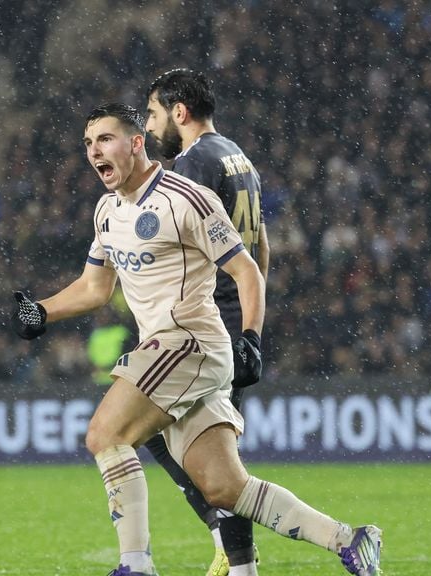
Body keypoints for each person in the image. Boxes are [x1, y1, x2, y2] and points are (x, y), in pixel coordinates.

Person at [13, 103, 381, 576]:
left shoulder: (185, 198)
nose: (94, 152)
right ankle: (351, 540)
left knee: (105, 435)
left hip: (188, 342)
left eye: (105, 139)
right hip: (174, 353)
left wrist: (251, 337)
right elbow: (94, 288)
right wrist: (42, 310)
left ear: (136, 143)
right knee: (226, 487)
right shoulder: (107, 210)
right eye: (88, 143)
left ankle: (135, 565)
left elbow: (246, 270)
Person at [142, 67, 268, 576]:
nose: (149, 127)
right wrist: (251, 327)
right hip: (231, 318)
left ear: (179, 112)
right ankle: (232, 550)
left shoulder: (192, 165)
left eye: (153, 114)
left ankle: (236, 553)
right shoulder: (239, 159)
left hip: (204, 322)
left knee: (186, 444)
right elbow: (259, 251)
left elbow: (181, 249)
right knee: (167, 431)